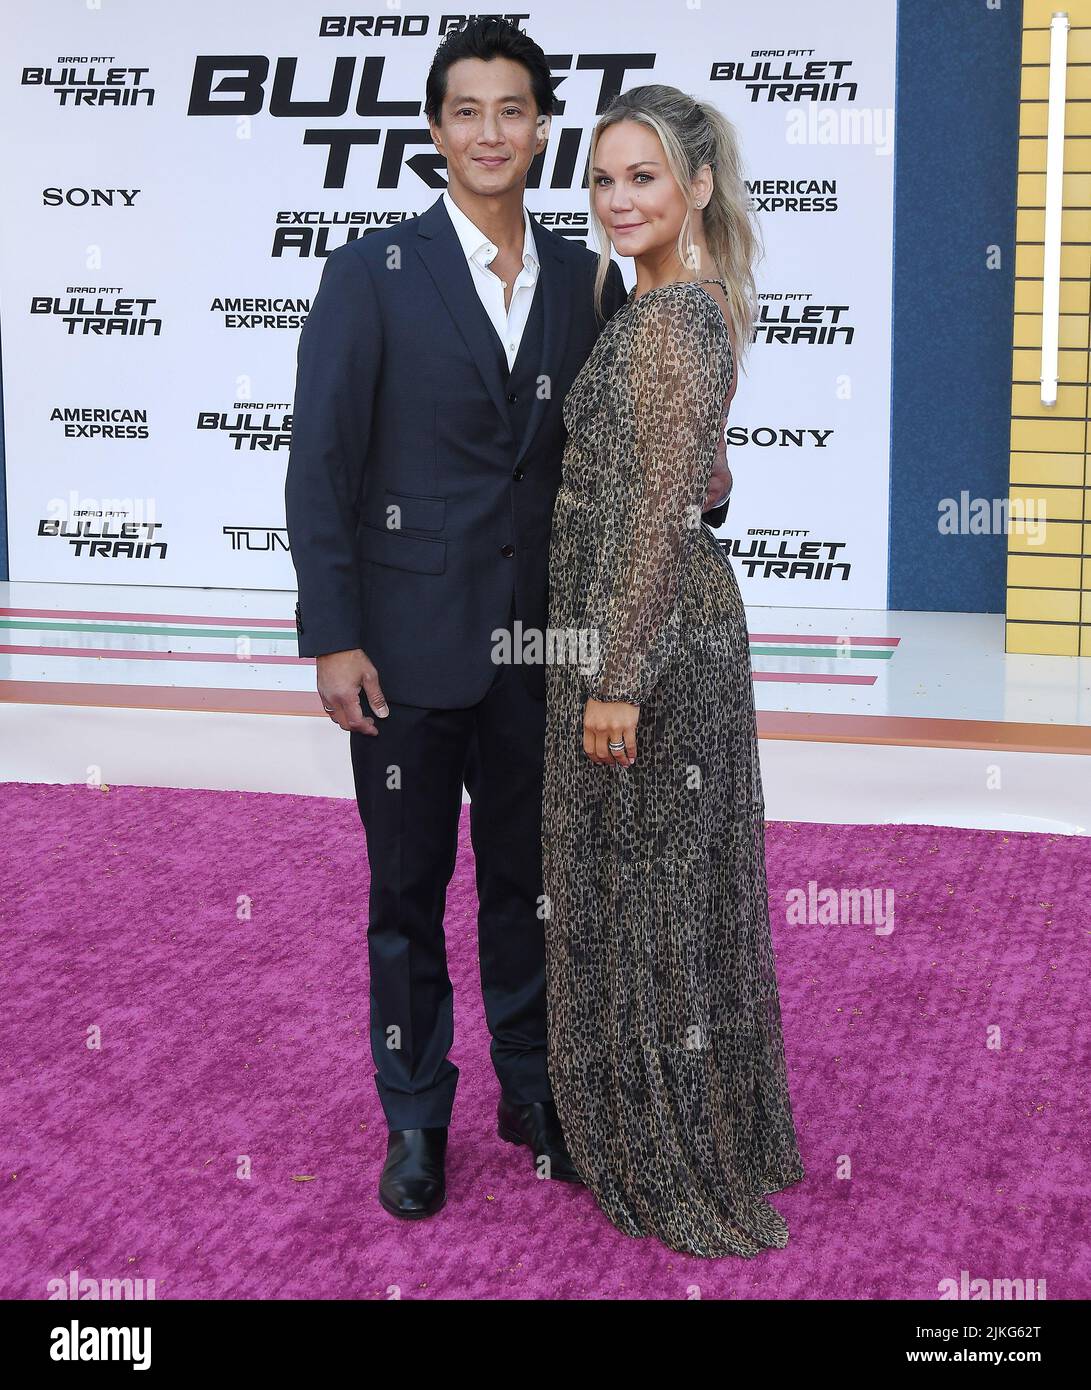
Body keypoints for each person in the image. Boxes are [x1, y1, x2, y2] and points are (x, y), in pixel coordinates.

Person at [284, 22, 731, 1220]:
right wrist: (333, 633)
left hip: (548, 648)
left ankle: (534, 1094)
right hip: (405, 650)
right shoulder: (368, 270)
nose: (489, 131)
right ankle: (415, 1114)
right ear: (434, 133)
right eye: (465, 110)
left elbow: (625, 446)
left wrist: (705, 469)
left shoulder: (589, 282)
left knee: (534, 890)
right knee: (405, 895)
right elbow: (317, 465)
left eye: (512, 110)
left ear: (540, 129)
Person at [542, 85, 805, 1257]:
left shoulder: (672, 319)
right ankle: (696, 1120)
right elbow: (689, 478)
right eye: (602, 179)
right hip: (649, 624)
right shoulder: (668, 305)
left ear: (696, 185)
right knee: (658, 884)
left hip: (644, 639)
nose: (615, 201)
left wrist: (615, 677)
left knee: (648, 888)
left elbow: (653, 517)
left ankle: (667, 1139)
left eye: (642, 177)